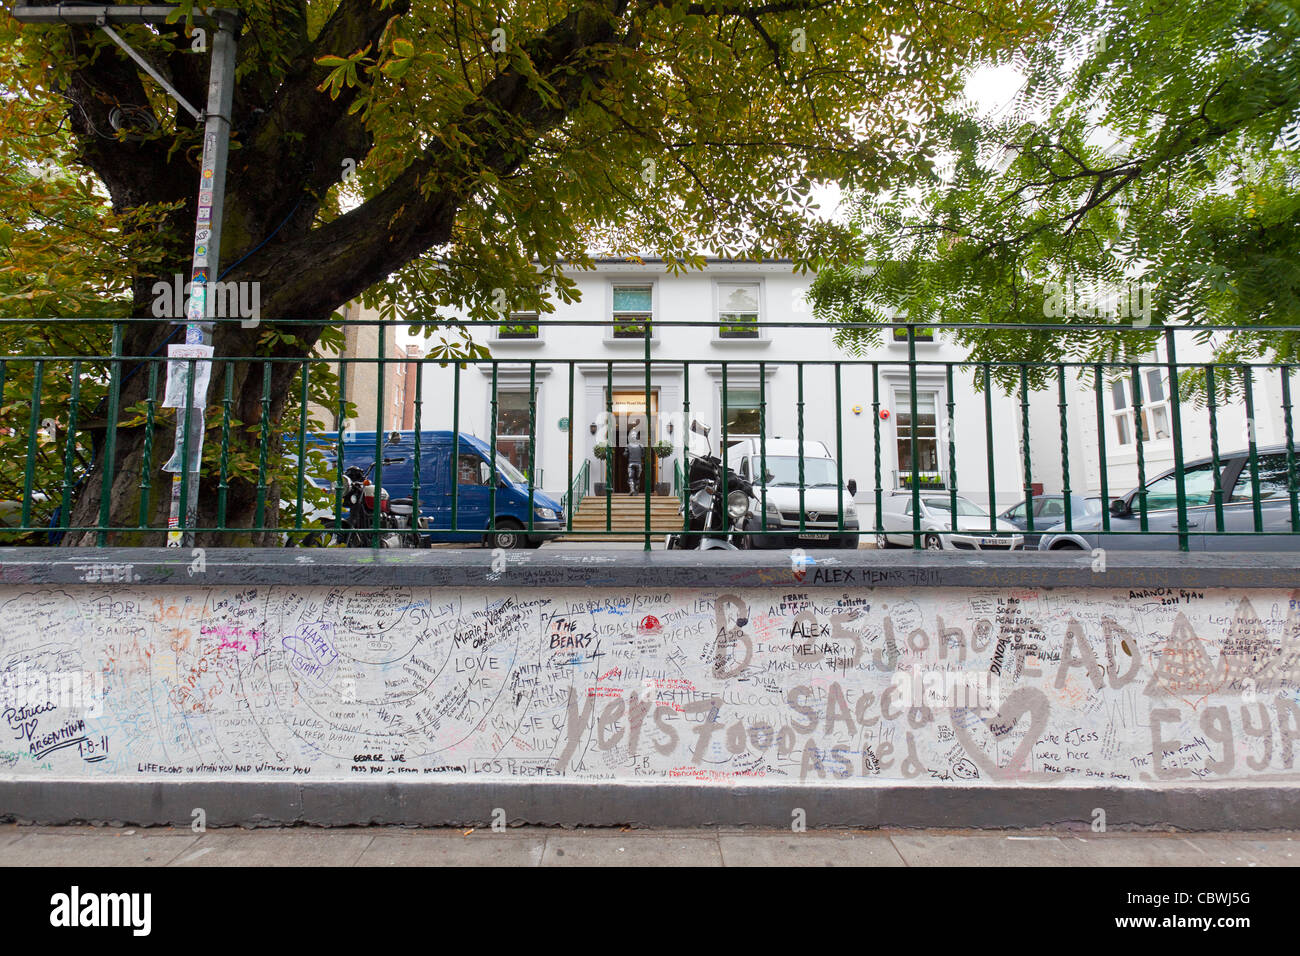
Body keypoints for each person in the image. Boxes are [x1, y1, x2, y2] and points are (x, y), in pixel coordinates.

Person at [626, 428, 644, 494]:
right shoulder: (641, 445)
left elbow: (625, 454)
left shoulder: (628, 445)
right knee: (637, 478)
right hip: (638, 463)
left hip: (631, 463)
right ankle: (636, 490)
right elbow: (643, 455)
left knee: (631, 477)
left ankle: (632, 489)